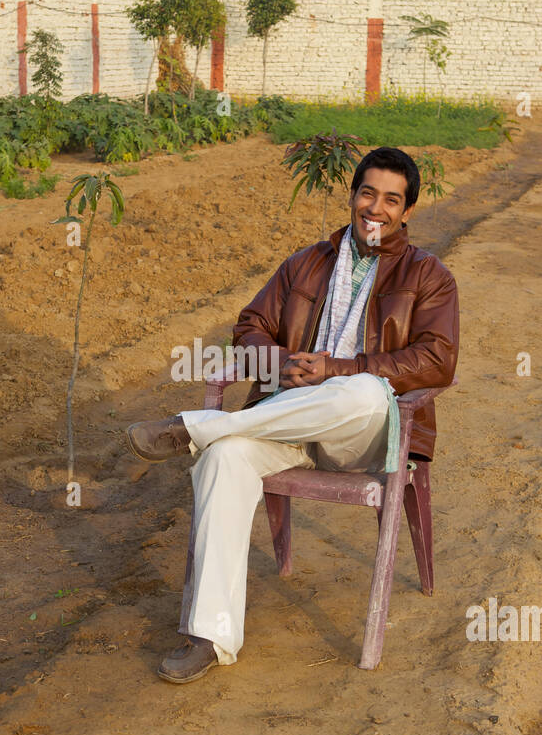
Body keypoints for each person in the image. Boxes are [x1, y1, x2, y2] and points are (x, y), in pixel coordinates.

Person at [126, 146, 459, 683]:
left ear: (407, 212)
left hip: (366, 430)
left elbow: (437, 360)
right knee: (223, 460)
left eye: (391, 200)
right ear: (352, 197)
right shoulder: (306, 263)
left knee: (364, 390)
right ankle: (211, 634)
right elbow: (250, 324)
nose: (376, 208)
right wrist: (282, 364)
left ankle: (194, 428)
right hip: (287, 420)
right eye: (368, 193)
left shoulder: (429, 276)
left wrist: (338, 368)